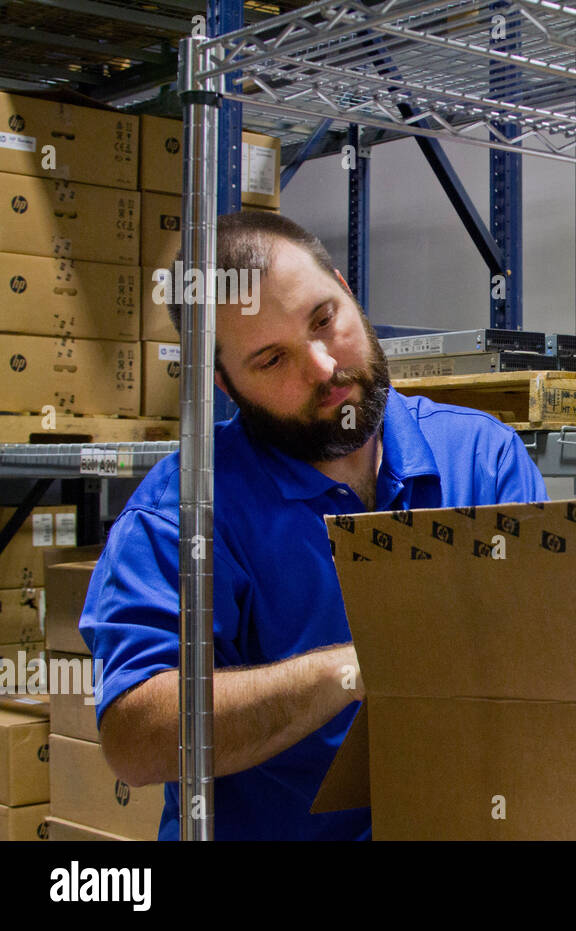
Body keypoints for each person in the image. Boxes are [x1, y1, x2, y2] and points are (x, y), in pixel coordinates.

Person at [79, 211, 549, 840]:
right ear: (226, 384)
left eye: (324, 320)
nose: (325, 368)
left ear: (344, 287)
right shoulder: (183, 511)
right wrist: (352, 669)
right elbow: (138, 739)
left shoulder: (481, 459)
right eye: (273, 359)